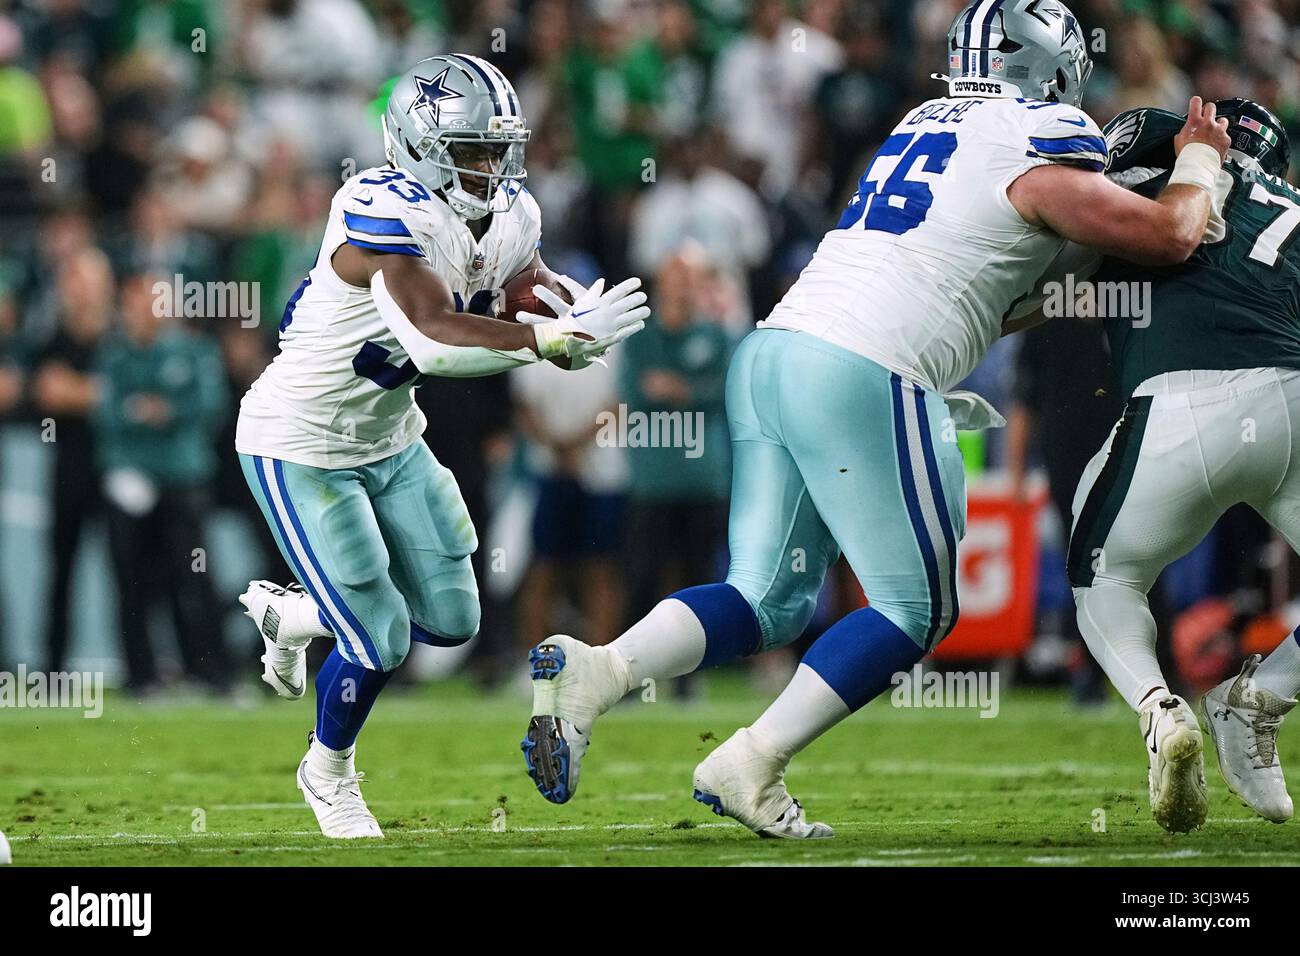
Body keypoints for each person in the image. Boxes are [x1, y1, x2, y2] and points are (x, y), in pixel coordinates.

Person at [520, 0, 1230, 839]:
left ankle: (601, 672)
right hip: (861, 368)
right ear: (1053, 70)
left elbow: (992, 287)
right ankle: (751, 760)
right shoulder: (1040, 136)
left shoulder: (925, 122)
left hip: (775, 352)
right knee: (915, 609)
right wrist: (1199, 162)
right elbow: (1174, 234)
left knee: (766, 599)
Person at [233, 55, 648, 839]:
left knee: (453, 619)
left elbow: (517, 283)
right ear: (419, 145)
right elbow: (432, 339)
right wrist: (549, 341)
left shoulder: (511, 211)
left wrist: (566, 307)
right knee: (379, 636)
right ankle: (328, 772)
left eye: (499, 148)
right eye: (472, 149)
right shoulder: (380, 207)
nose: (491, 166)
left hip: (391, 435)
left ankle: (297, 615)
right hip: (301, 440)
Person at [1058, 99, 1300, 833]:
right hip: (1294, 398)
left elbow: (1078, 216)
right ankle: (1261, 697)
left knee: (1102, 574)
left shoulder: (1164, 166)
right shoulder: (1288, 208)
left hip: (1182, 403)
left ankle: (1159, 710)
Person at [94, 272, 230, 695]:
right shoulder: (115, 354)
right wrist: (148, 414)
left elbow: (211, 405)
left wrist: (163, 411)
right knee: (133, 582)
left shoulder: (192, 349)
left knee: (195, 577)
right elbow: (105, 412)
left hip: (182, 480)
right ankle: (141, 676)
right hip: (131, 483)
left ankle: (212, 672)